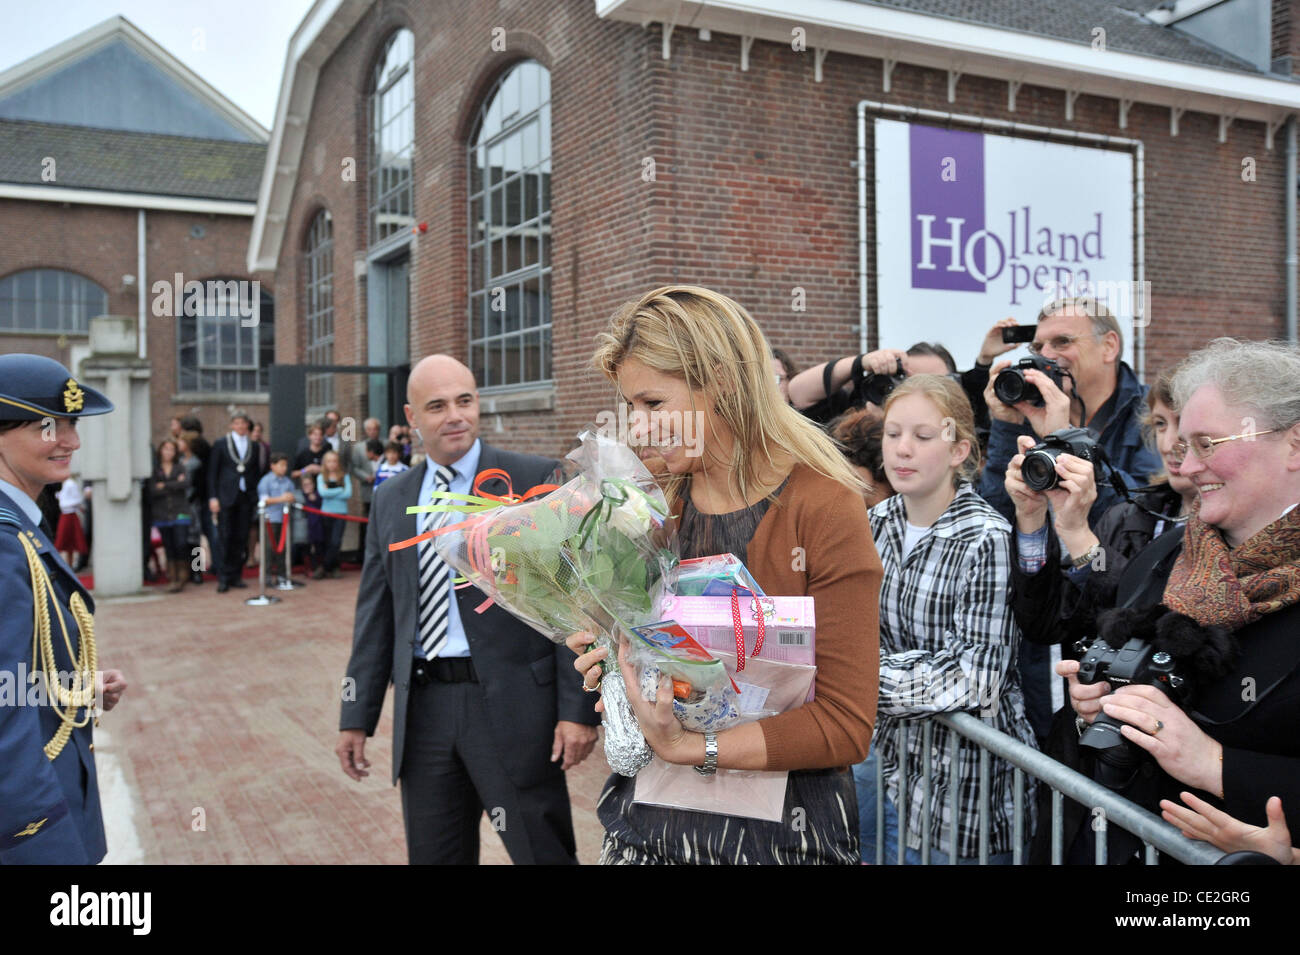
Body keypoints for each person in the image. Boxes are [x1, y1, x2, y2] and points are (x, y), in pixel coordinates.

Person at [569, 285, 882, 865]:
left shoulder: (824, 506)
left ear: (723, 382)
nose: (636, 429)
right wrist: (614, 666)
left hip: (784, 842)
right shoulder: (647, 503)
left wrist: (691, 747)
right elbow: (644, 663)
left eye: (653, 405)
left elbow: (844, 724)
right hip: (647, 833)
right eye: (629, 407)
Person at [336, 354, 599, 865]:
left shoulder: (529, 480)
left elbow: (575, 601)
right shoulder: (392, 499)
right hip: (426, 712)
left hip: (513, 708)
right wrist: (356, 716)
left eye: (465, 400)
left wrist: (577, 710)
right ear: (412, 418)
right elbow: (377, 617)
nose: (454, 415)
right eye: (436, 406)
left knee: (543, 854)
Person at [1060, 339, 1300, 861]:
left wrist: (1214, 763)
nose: (1186, 466)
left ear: (1295, 445)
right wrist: (1101, 699)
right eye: (1184, 443)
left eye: (1208, 444)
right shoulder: (1166, 554)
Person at [857, 375, 1036, 864]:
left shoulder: (987, 538)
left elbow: (976, 678)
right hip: (892, 766)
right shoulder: (876, 521)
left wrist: (862, 679)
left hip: (965, 792)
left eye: (922, 435)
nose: (902, 450)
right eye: (893, 434)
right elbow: (851, 634)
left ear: (959, 450)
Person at [0, 353, 127, 863]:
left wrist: (72, 689)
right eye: (47, 426)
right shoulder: (7, 542)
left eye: (71, 425)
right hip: (34, 822)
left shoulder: (22, 524)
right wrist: (42, 842)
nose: (70, 441)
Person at [979, 297, 1162, 525]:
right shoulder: (1030, 412)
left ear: (1109, 346)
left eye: (1062, 342)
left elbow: (1150, 511)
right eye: (1037, 347)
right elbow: (994, 518)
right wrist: (1007, 426)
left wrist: (1064, 438)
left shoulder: (1154, 411)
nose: (1045, 355)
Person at [207, 412, 266, 593]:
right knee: (226, 535)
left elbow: (255, 471)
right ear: (232, 425)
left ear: (248, 426)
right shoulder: (221, 444)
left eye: (244, 424)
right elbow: (212, 472)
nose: (241, 427)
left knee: (241, 537)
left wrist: (255, 495)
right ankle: (223, 577)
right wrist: (213, 497)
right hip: (226, 496)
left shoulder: (254, 446)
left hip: (245, 496)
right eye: (237, 423)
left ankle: (236, 575)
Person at [150, 438, 192, 593]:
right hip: (162, 513)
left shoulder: (180, 467)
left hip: (180, 511)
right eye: (165, 449)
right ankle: (172, 576)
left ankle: (184, 573)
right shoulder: (155, 470)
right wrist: (174, 484)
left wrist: (165, 485)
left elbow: (185, 484)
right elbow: (153, 490)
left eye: (171, 449)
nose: (168, 452)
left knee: (181, 542)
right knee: (169, 545)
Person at [257, 452, 296, 588]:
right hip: (270, 519)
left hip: (284, 520)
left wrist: (290, 498)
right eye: (281, 465)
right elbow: (264, 500)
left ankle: (282, 575)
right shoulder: (266, 481)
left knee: (283, 549)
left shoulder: (288, 482)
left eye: (286, 465)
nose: (284, 468)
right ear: (272, 466)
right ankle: (266, 576)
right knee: (269, 549)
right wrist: (282, 499)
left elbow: (293, 496)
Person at [315, 450, 351, 579]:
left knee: (336, 541)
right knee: (327, 541)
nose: (332, 464)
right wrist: (339, 489)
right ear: (325, 463)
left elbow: (347, 494)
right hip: (326, 512)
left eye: (334, 461)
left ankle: (324, 567)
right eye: (329, 461)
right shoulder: (321, 476)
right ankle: (333, 567)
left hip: (341, 513)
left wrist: (331, 490)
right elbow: (322, 494)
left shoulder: (344, 476)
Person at [349, 417, 383, 559]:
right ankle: (362, 553)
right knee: (366, 520)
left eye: (374, 429)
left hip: (383, 489)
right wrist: (366, 477)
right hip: (368, 490)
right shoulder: (358, 448)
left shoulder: (385, 444)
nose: (372, 432)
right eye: (369, 429)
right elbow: (354, 467)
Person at [55, 473, 88, 568]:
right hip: (66, 514)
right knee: (67, 543)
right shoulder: (66, 483)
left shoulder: (70, 484)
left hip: (69, 514)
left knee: (67, 541)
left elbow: (76, 499)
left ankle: (69, 564)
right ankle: (69, 564)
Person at [296, 473, 324, 577]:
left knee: (318, 548)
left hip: (317, 526)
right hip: (305, 526)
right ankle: (308, 568)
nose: (308, 487)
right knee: (306, 548)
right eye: (305, 485)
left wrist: (315, 499)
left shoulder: (319, 495)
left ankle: (319, 568)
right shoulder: (300, 497)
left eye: (310, 484)